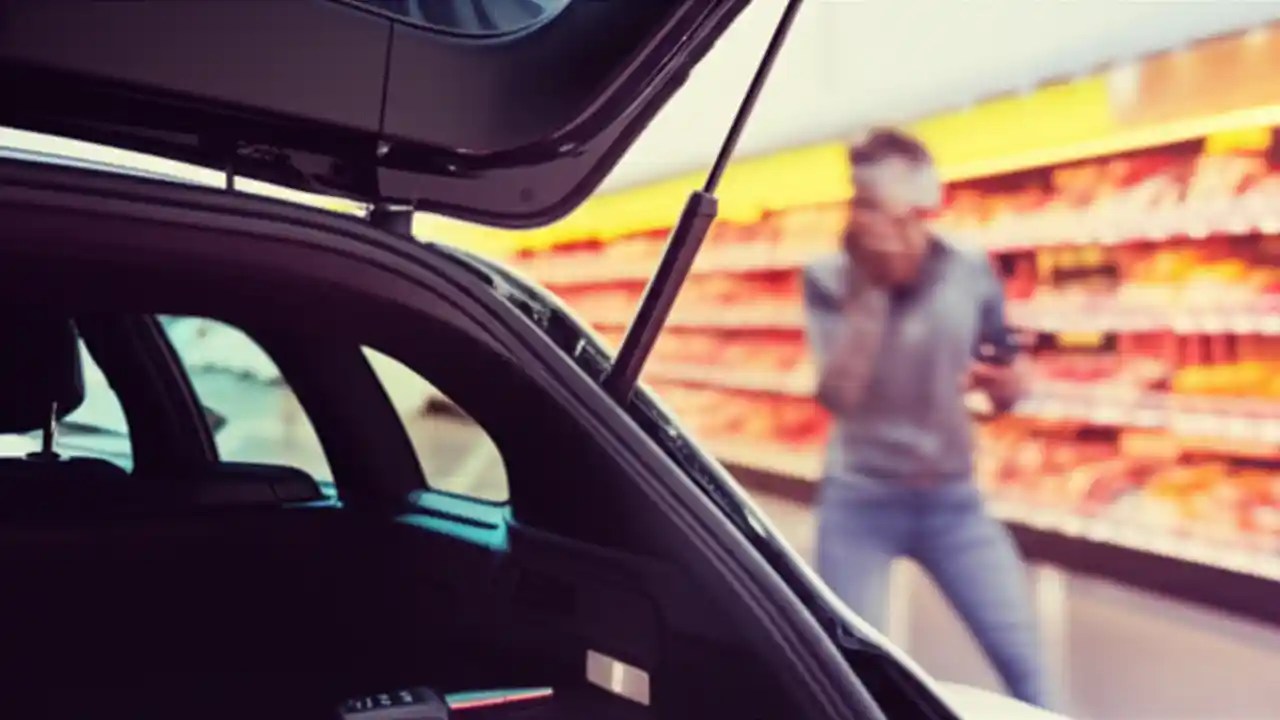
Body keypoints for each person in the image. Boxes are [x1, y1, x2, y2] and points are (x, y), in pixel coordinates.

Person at [804, 127, 1049, 707]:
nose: (861, 217)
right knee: (843, 677)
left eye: (875, 204)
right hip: (858, 502)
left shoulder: (969, 268)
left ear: (920, 210)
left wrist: (1010, 386)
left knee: (1029, 669)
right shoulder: (828, 276)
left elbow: (1005, 374)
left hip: (953, 503)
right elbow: (836, 395)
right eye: (857, 201)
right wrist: (871, 295)